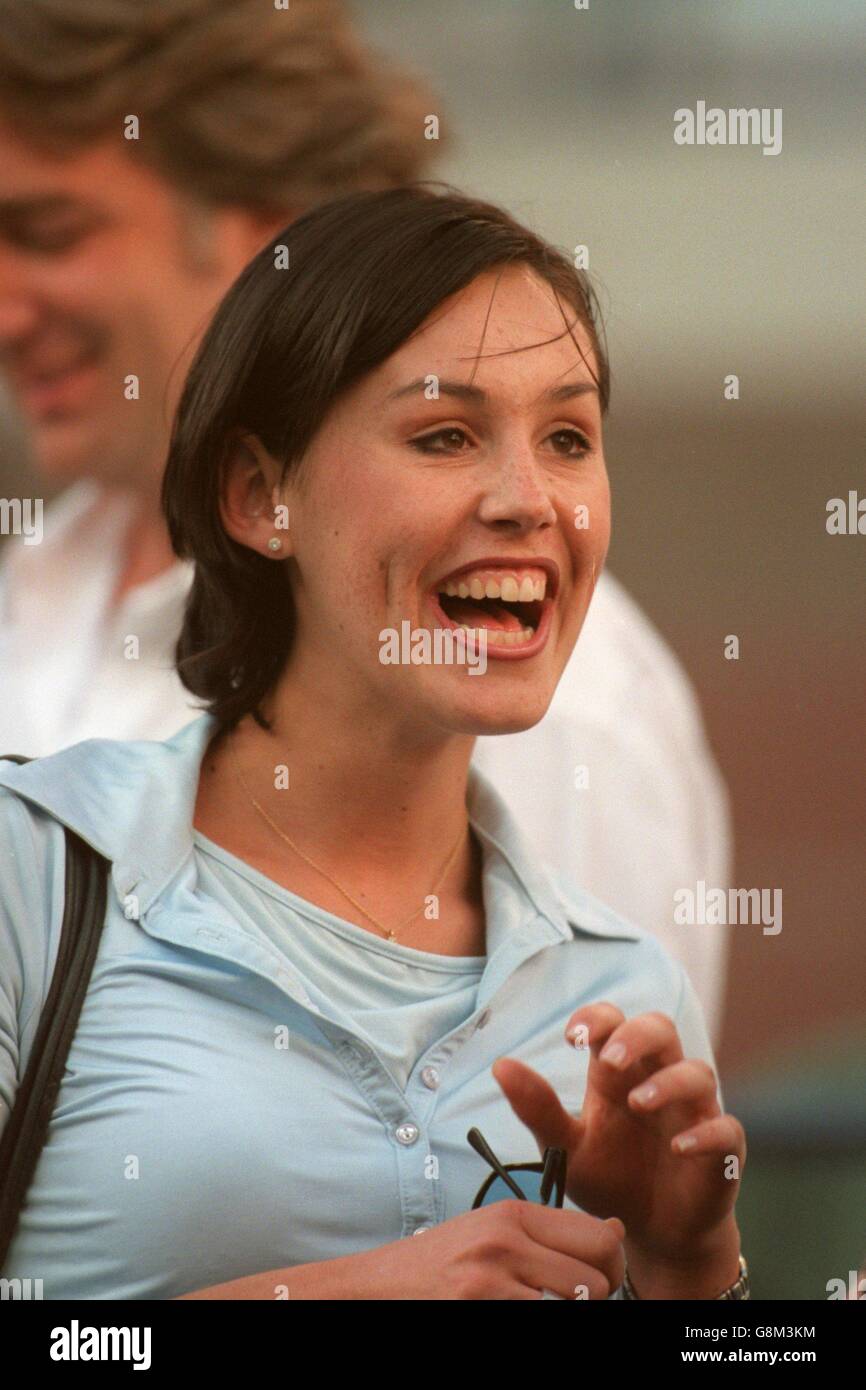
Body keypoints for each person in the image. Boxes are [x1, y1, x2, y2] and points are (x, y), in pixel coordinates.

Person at [0, 187, 746, 1300]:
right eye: (444, 434)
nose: (527, 498)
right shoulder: (34, 873)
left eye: (567, 437)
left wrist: (690, 1270)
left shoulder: (621, 989)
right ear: (261, 496)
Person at [0, 0, 731, 1042]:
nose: (5, 306)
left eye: (49, 234)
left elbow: (533, 1163)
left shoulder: (539, 691)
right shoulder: (41, 582)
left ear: (265, 233)